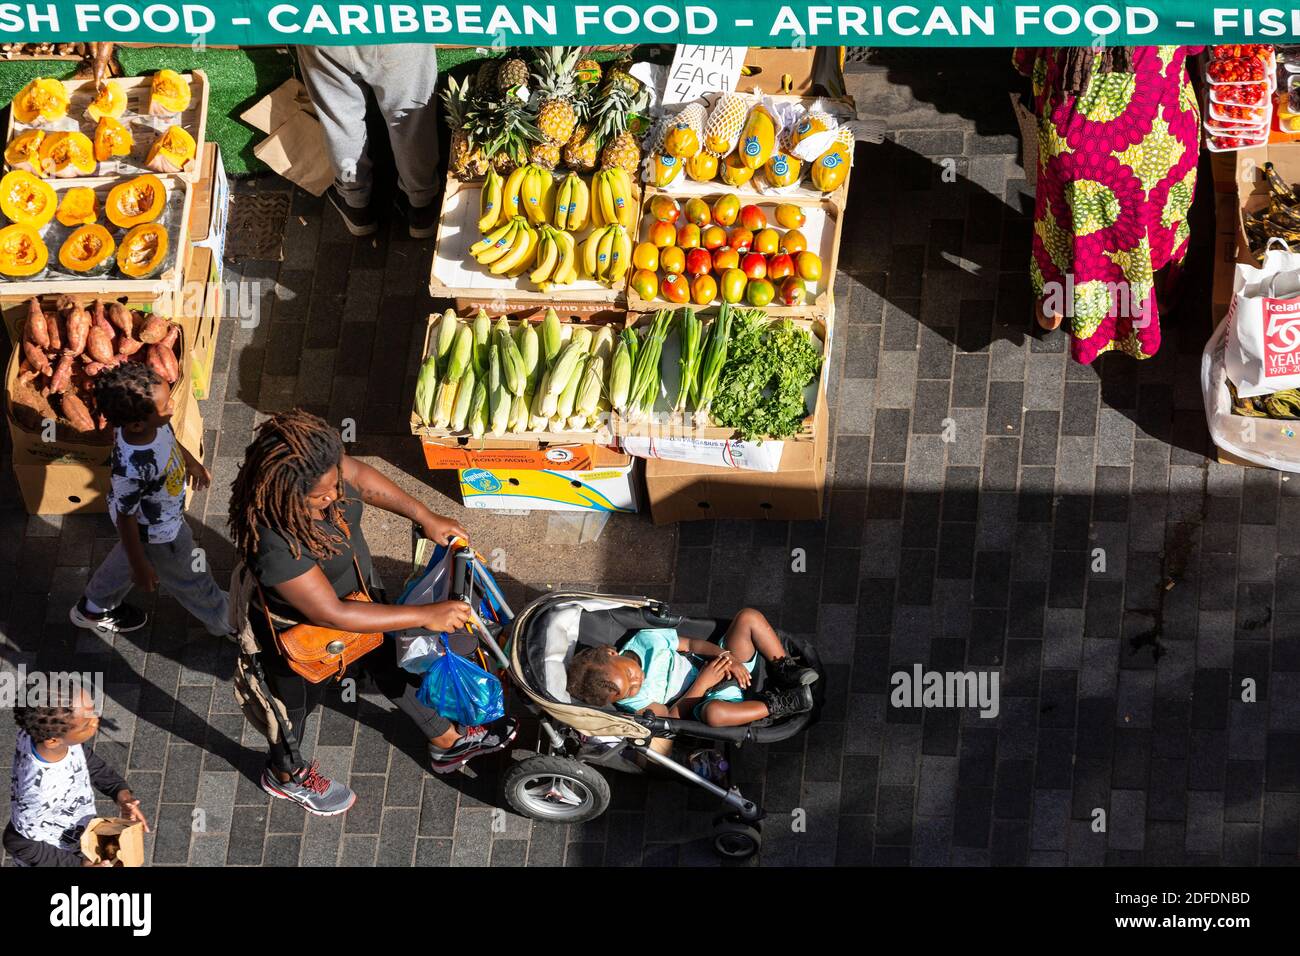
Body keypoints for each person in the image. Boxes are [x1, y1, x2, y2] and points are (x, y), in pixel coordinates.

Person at [228, 409, 516, 816]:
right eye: (321, 496)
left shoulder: (324, 467)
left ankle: (447, 740)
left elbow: (359, 476)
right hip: (309, 637)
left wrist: (425, 516)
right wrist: (425, 616)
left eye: (335, 485)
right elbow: (332, 614)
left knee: (389, 658)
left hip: (364, 598)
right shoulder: (274, 543)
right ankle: (285, 774)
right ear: (288, 491)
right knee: (290, 712)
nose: (334, 497)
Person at [1013, 46, 1204, 363]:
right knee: (1154, 222)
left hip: (1069, 143)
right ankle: (1158, 293)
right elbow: (1196, 42)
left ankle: (1054, 306)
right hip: (1153, 138)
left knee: (1063, 223)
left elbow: (1026, 49)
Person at [69, 363, 230, 637]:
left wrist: (191, 462)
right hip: (160, 531)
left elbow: (169, 439)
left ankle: (93, 607)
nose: (173, 405)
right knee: (190, 576)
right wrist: (140, 568)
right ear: (136, 423)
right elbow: (126, 519)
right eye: (166, 404)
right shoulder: (131, 470)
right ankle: (225, 620)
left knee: (135, 552)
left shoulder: (147, 426)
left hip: (154, 521)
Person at [566, 608, 817, 727]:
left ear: (612, 652)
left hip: (719, 663)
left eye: (630, 674)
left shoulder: (645, 639)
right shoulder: (635, 702)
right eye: (628, 690)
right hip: (707, 696)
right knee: (714, 716)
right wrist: (703, 684)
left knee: (747, 617)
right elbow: (672, 719)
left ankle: (784, 669)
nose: (637, 682)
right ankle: (778, 704)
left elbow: (692, 643)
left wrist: (726, 655)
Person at [296, 44, 441, 239]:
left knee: (341, 121)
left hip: (325, 29)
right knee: (410, 122)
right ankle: (422, 204)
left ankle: (355, 203)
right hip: (397, 28)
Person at [4, 678, 149, 867]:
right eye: (86, 724)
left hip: (80, 839)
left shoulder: (43, 737)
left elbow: (83, 758)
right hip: (60, 857)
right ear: (53, 740)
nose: (96, 721)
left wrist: (120, 792)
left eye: (93, 712)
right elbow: (17, 842)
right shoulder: (38, 793)